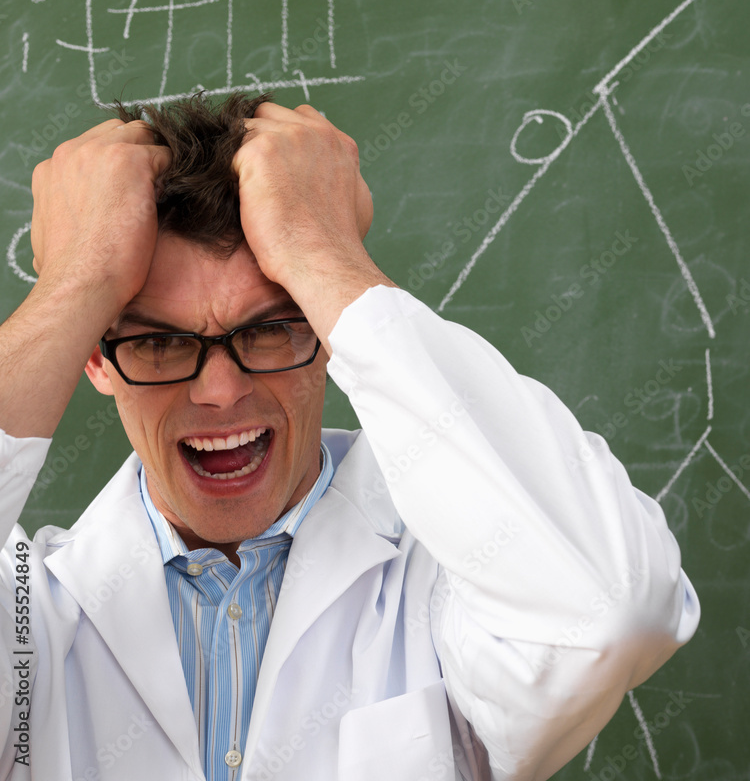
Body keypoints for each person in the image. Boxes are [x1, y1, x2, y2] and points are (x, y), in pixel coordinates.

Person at [0, 92, 699, 781]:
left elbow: (613, 614)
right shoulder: (26, 618)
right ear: (92, 356)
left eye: (272, 329)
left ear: (333, 333)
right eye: (159, 342)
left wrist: (318, 252)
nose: (219, 390)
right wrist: (78, 282)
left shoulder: (452, 589)